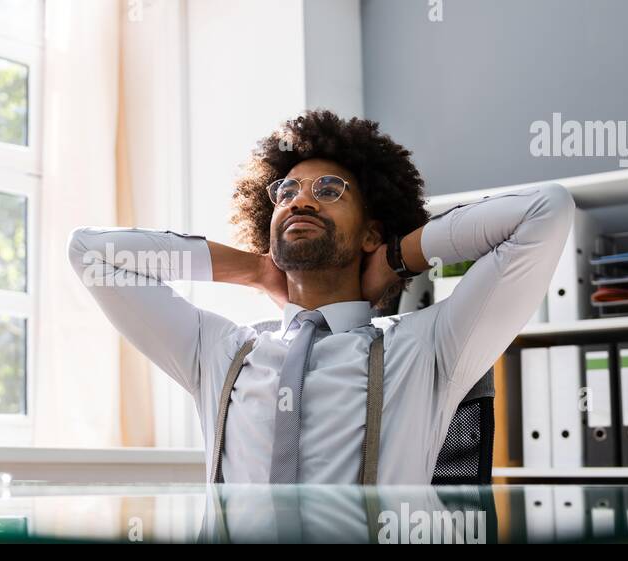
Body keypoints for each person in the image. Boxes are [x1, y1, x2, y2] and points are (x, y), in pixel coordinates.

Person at [69, 110, 573, 484]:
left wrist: (399, 257)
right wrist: (254, 269)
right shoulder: (219, 352)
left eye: (330, 190)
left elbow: (545, 212)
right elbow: (89, 251)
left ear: (371, 232)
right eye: (286, 193)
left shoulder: (428, 347)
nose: (301, 200)